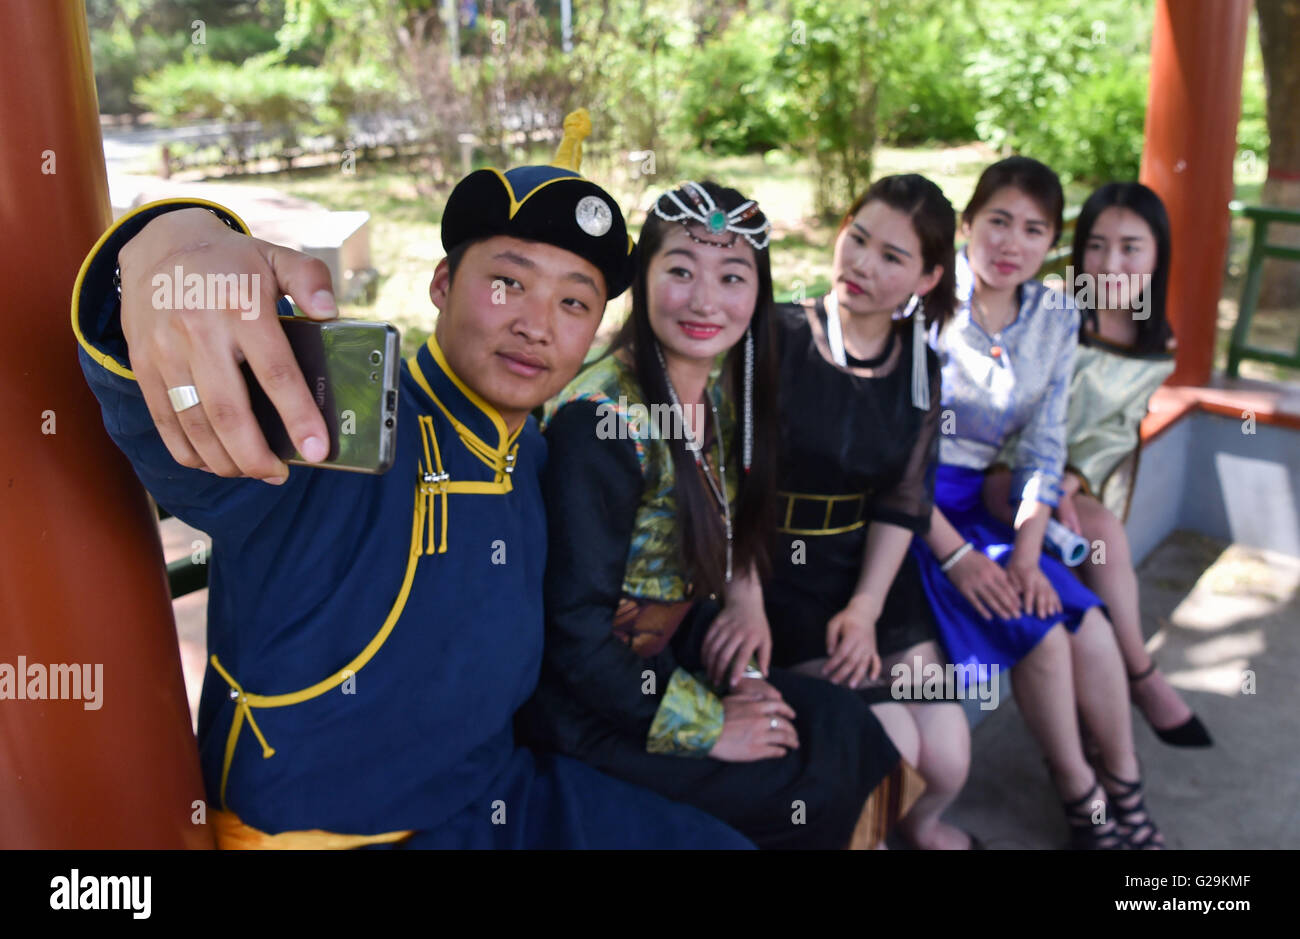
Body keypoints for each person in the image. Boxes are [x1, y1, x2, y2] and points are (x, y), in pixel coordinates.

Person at [71, 111, 750, 849]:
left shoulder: (538, 451)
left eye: (574, 301)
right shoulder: (346, 406)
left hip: (499, 797)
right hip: (324, 834)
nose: (537, 323)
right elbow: (177, 389)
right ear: (442, 281)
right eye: (508, 281)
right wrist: (163, 253)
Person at [518, 181, 925, 849]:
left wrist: (740, 612)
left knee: (840, 722)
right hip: (590, 707)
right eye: (679, 270)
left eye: (732, 276)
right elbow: (573, 638)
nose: (705, 300)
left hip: (668, 650)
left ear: (758, 293)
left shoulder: (723, 393)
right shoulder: (604, 423)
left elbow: (719, 539)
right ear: (642, 278)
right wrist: (710, 724)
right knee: (795, 776)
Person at [911, 157, 1164, 849]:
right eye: (997, 220)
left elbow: (1043, 447)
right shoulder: (926, 304)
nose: (1011, 242)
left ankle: (1125, 789)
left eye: (1033, 228)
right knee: (1044, 634)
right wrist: (963, 557)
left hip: (998, 509)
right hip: (916, 511)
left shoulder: (1054, 314)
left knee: (1089, 624)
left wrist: (1026, 553)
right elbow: (890, 448)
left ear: (1050, 240)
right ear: (966, 224)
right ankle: (1086, 805)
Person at [763, 174, 974, 850]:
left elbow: (902, 500)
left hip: (871, 576)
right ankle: (870, 837)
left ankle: (923, 828)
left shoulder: (919, 364)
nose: (861, 264)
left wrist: (865, 608)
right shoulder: (778, 337)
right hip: (781, 578)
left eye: (892, 256)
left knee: (946, 757)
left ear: (928, 276)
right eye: (858, 238)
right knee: (892, 742)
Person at [983, 181, 1210, 748]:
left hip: (1076, 480)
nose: (1110, 263)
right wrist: (1051, 480)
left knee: (1099, 536)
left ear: (1157, 256)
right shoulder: (1049, 315)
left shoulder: (1156, 342)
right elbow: (1018, 410)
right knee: (1099, 534)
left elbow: (1116, 430)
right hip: (1007, 466)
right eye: (1096, 245)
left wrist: (1071, 479)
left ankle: (1127, 680)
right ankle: (1142, 674)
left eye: (1131, 247)